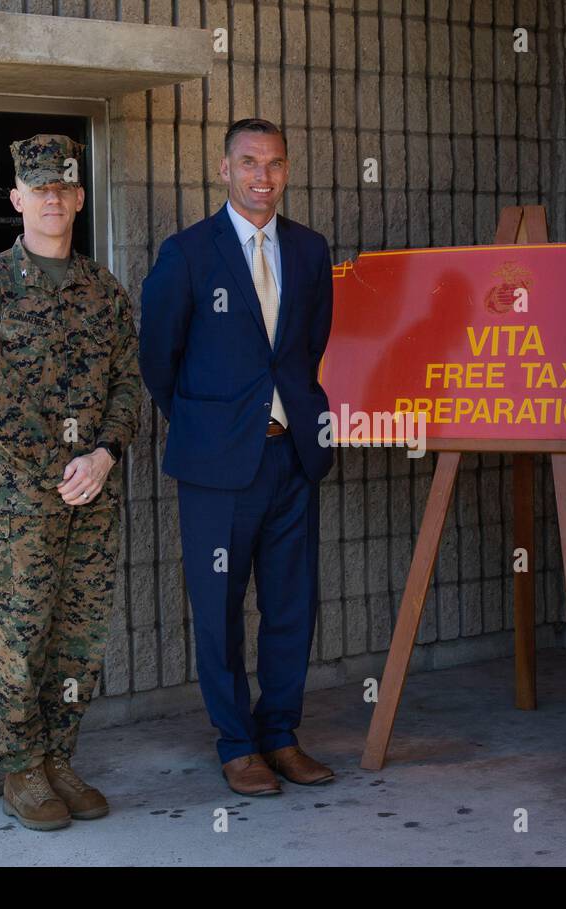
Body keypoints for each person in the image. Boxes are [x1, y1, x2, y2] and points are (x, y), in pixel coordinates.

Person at [139, 118, 336, 796]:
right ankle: (236, 744)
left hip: (292, 461)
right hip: (217, 469)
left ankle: (280, 735)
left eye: (276, 163)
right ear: (223, 169)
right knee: (219, 608)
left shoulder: (310, 251)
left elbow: (307, 348)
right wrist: (211, 427)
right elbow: (158, 361)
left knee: (291, 606)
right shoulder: (188, 253)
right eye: (249, 162)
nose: (263, 176)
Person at [0, 134, 142, 830]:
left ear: (80, 197)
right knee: (20, 635)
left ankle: (61, 755)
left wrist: (103, 457)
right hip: (20, 505)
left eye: (63, 188)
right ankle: (22, 769)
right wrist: (57, 466)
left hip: (94, 494)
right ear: (17, 199)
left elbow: (129, 380)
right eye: (39, 189)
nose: (53, 199)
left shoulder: (106, 290)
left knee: (80, 636)